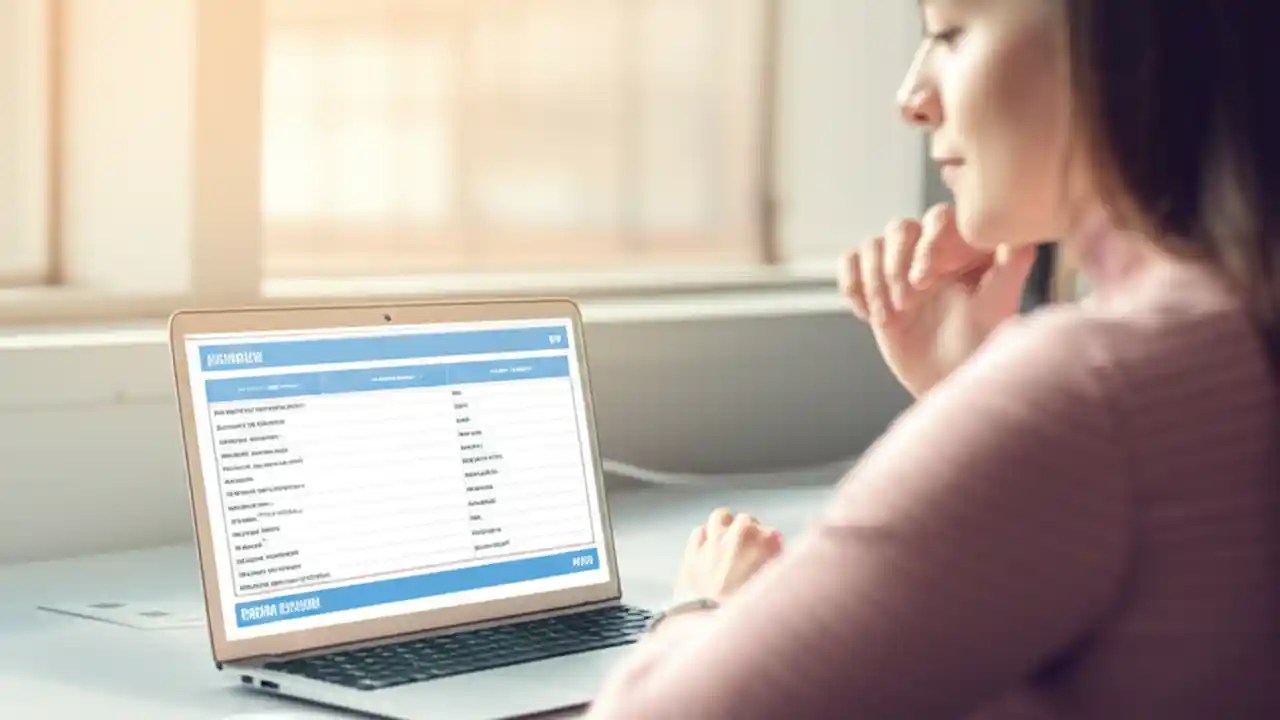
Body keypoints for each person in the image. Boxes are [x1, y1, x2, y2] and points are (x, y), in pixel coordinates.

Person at [587, 0, 1280, 717]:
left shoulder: (1094, 390)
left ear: (1125, 35)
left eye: (950, 34)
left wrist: (707, 607)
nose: (910, 99)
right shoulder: (1224, 336)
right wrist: (968, 385)